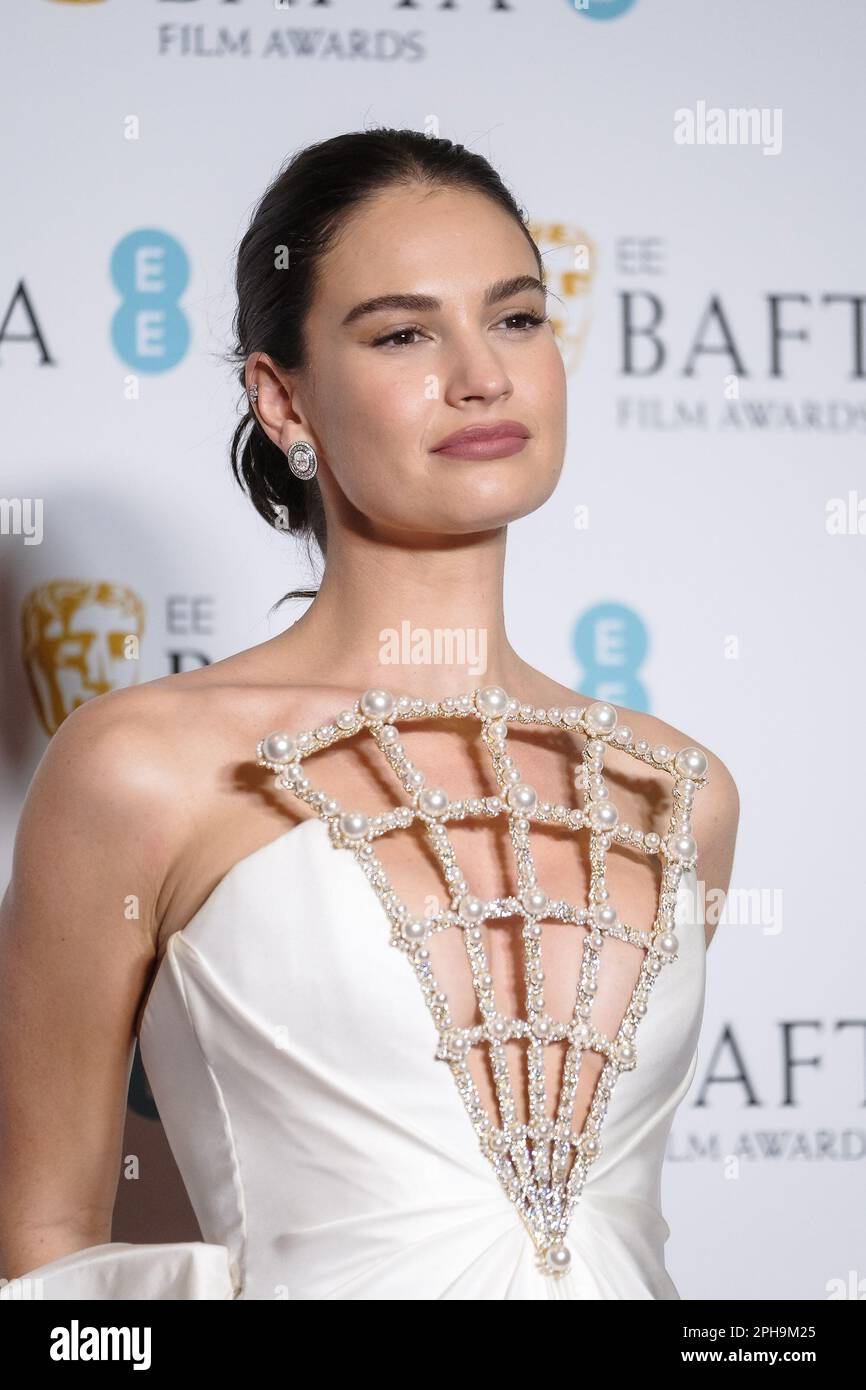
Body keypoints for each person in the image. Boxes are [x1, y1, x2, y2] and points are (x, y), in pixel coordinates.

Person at [0, 128, 739, 1300]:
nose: (481, 375)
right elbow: (40, 1256)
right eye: (403, 332)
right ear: (282, 398)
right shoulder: (143, 767)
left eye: (516, 317)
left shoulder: (672, 788)